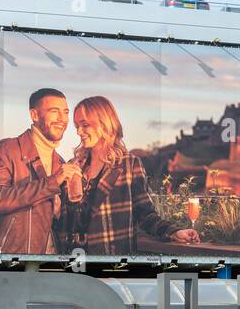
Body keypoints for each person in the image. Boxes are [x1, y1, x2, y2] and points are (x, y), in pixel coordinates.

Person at [58, 95, 200, 254]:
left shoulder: (129, 165)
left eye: (85, 125)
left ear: (104, 123)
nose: (79, 131)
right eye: (77, 126)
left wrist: (173, 232)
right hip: (74, 259)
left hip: (111, 258)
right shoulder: (73, 167)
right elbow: (63, 219)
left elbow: (145, 214)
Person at [0, 88, 83, 254]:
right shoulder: (5, 150)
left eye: (65, 112)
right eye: (54, 111)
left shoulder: (60, 163)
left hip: (49, 262)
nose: (62, 119)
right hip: (11, 262)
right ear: (34, 115)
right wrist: (52, 182)